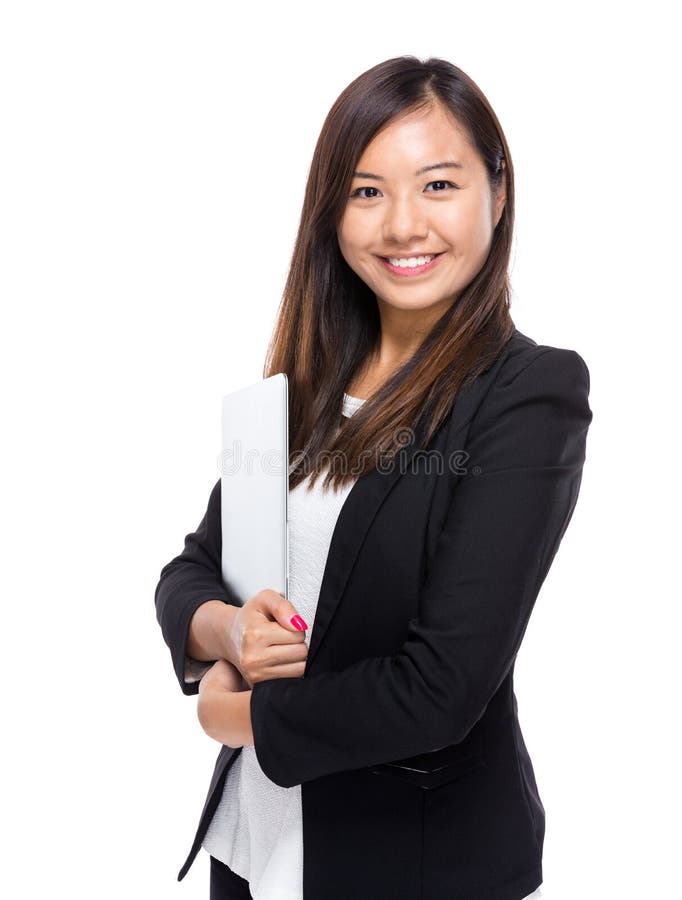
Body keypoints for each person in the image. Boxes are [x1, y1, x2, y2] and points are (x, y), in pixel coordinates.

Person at [154, 55, 592, 900]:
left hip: (410, 865)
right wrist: (225, 632)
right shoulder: (306, 389)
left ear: (496, 194)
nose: (402, 225)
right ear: (331, 212)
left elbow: (441, 688)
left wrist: (234, 715)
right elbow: (192, 569)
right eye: (365, 191)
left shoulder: (526, 394)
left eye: (437, 185)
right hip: (255, 853)